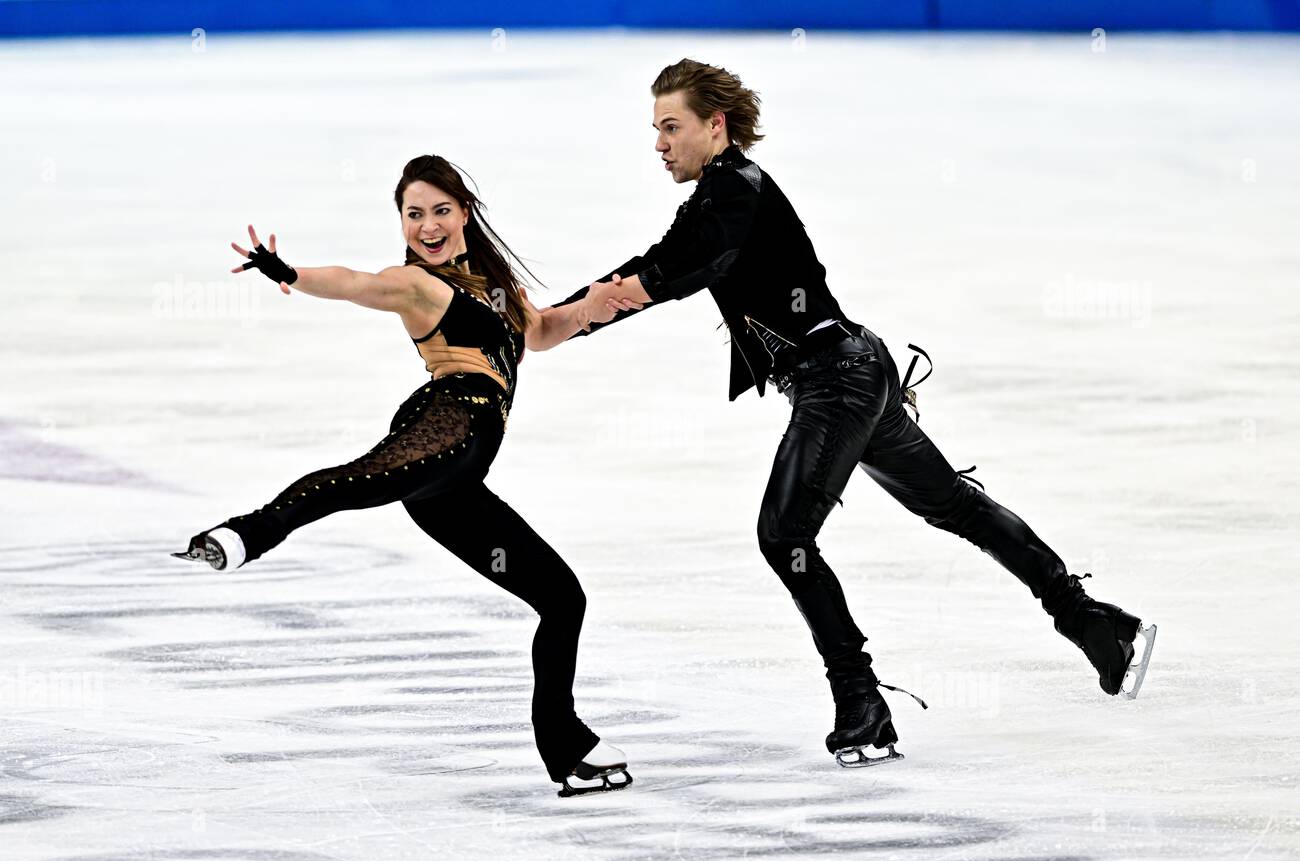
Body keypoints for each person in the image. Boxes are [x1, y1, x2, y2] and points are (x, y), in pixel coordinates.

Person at [530, 59, 1156, 768]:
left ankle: (860, 699)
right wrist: (554, 322)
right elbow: (659, 264)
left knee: (785, 535)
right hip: (855, 370)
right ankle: (1090, 620)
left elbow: (680, 269)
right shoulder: (716, 196)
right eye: (656, 130)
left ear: (715, 125)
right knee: (954, 505)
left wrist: (565, 318)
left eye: (671, 127)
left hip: (838, 383)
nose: (659, 144)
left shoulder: (734, 192)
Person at [173, 155, 636, 796]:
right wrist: (289, 272)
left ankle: (568, 751)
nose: (427, 225)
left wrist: (598, 304)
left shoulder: (495, 284)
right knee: (356, 480)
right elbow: (356, 283)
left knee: (562, 600)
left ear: (464, 212)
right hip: (448, 423)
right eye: (413, 214)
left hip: (451, 488)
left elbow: (541, 332)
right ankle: (244, 535)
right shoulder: (417, 285)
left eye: (439, 210)